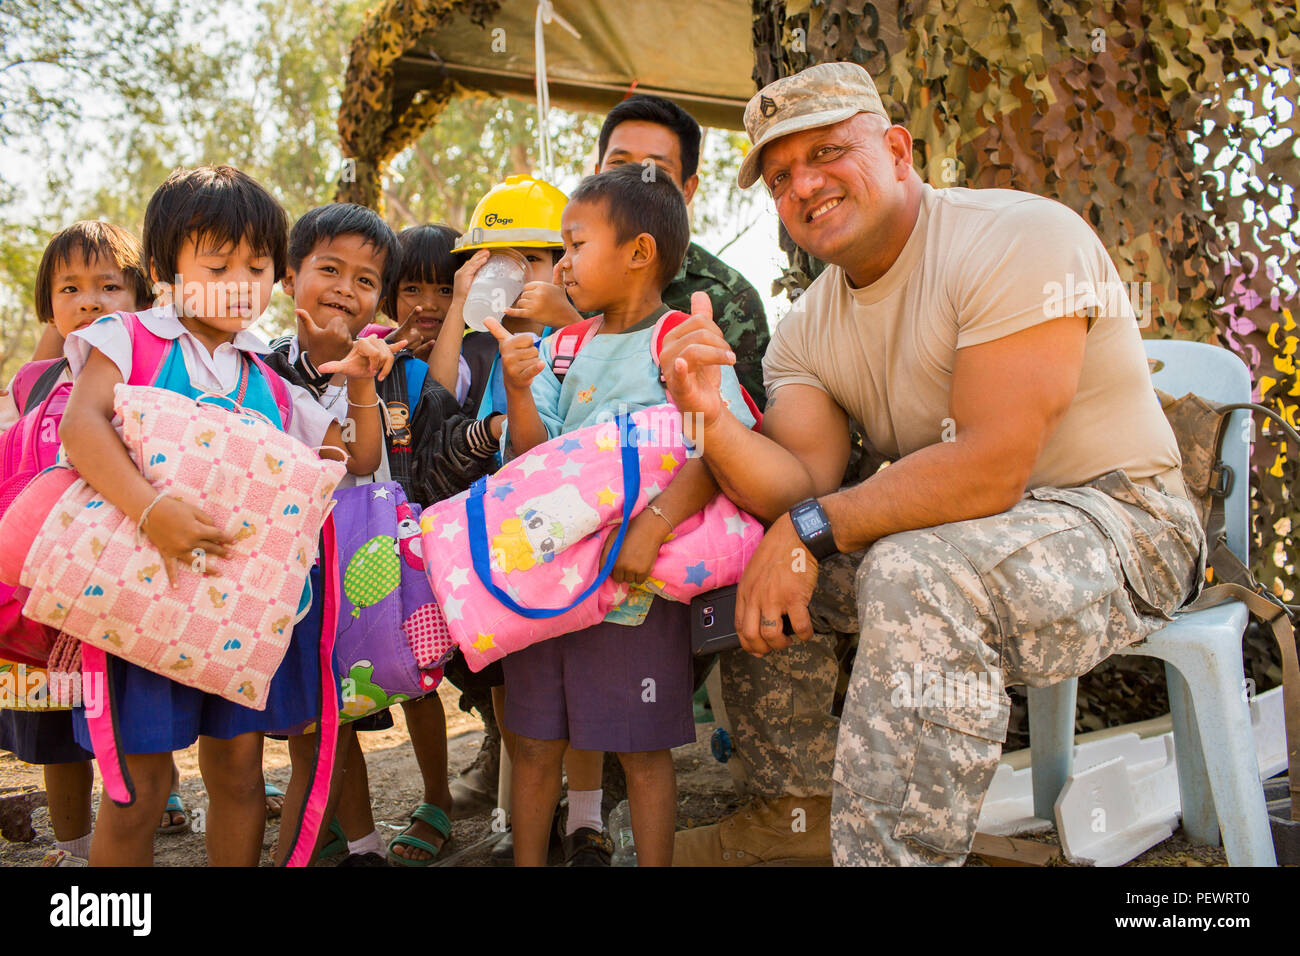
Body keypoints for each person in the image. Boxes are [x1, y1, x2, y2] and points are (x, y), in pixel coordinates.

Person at [661, 62, 1204, 866]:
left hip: (1122, 521)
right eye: (781, 176)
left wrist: (809, 527)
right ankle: (797, 807)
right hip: (957, 531)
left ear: (897, 149)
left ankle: (897, 857)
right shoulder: (807, 331)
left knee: (913, 570)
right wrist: (708, 415)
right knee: (748, 554)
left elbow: (990, 468)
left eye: (828, 153)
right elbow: (797, 488)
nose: (805, 184)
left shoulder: (1021, 238)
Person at [58, 165, 395, 866]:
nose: (241, 281)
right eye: (217, 264)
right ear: (161, 268)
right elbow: (81, 427)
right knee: (139, 791)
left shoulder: (266, 380)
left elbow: (355, 459)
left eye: (257, 264)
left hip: (228, 623)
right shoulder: (130, 339)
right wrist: (152, 510)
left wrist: (359, 379)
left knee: (240, 776)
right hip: (133, 610)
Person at [490, 163, 756, 866]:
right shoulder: (560, 349)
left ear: (638, 252)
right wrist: (521, 388)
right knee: (537, 738)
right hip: (550, 582)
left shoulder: (687, 344)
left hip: (637, 584)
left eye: (576, 245)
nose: (562, 264)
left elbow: (714, 449)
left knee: (642, 748)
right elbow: (530, 457)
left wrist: (655, 522)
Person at [268, 209, 504, 866]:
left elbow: (420, 440)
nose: (347, 287)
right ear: (290, 278)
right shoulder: (264, 367)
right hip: (301, 566)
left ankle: (434, 798)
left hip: (394, 552)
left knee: (414, 675)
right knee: (323, 707)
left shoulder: (401, 371)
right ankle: (346, 827)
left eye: (365, 277)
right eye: (331, 270)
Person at [0, 220, 151, 865]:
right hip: (33, 595)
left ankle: (148, 808)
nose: (89, 300)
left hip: (114, 587)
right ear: (48, 305)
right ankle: (73, 848)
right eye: (70, 288)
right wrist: (66, 315)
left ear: (141, 301)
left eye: (108, 286)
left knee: (122, 719)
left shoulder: (146, 375)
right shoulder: (33, 384)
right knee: (50, 735)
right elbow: (54, 339)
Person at [594, 94, 771, 410]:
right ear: (596, 174)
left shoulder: (730, 300)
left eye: (654, 170)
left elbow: (748, 435)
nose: (631, 182)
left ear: (687, 189)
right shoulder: (557, 273)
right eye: (618, 164)